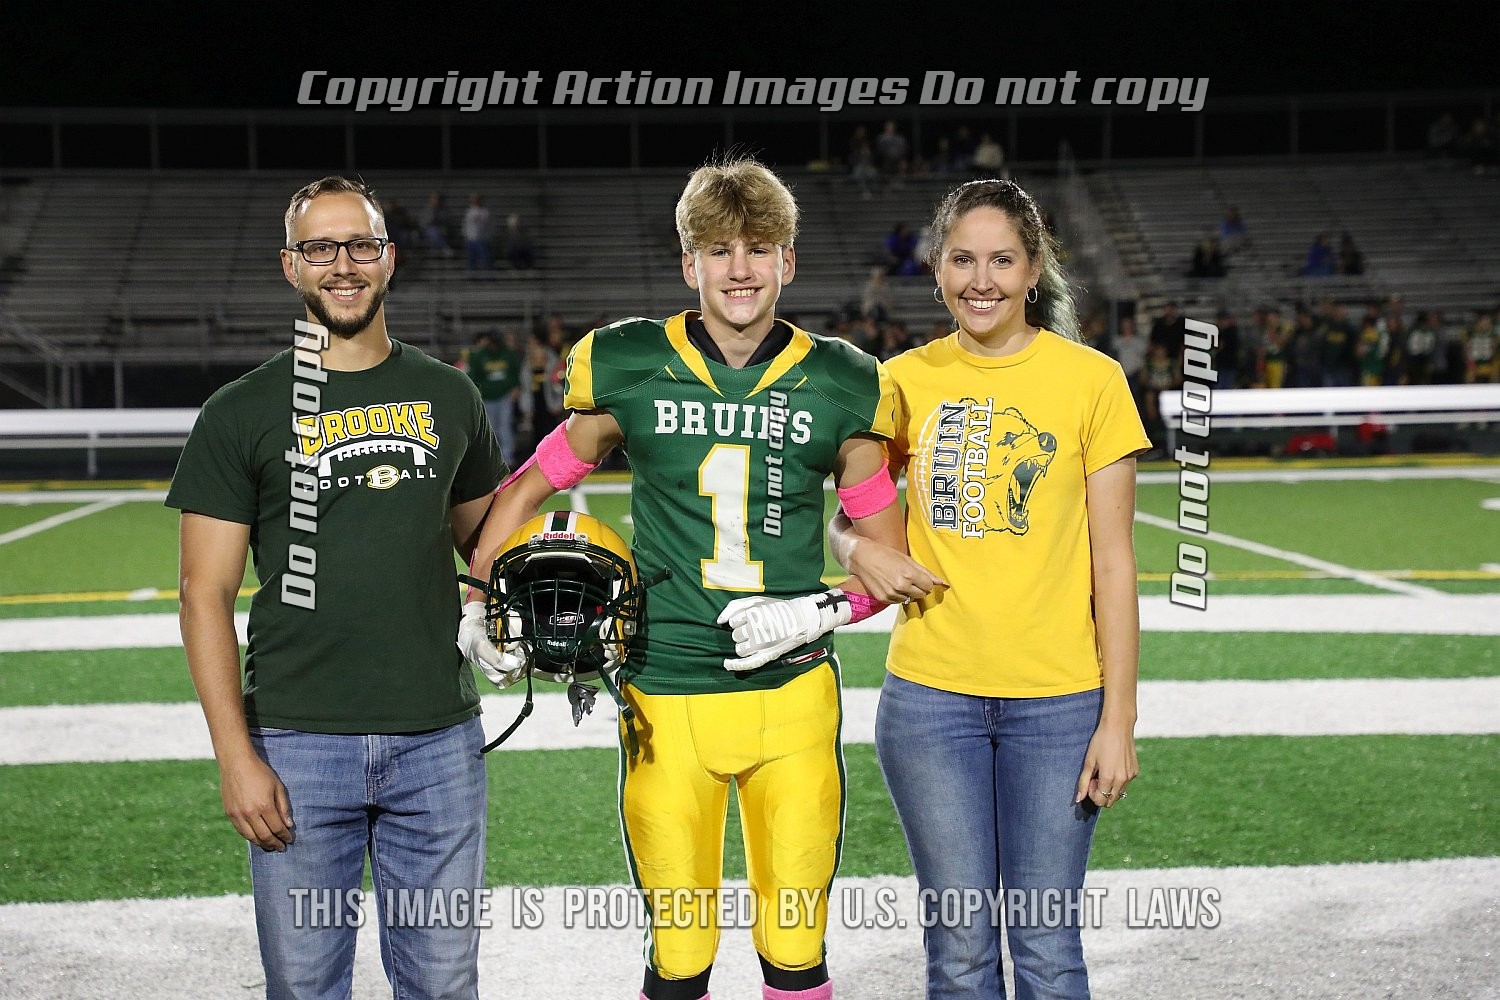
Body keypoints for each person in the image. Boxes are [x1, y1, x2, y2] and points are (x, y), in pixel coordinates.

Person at [460, 155, 907, 1000]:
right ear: (688, 263)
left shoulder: (845, 381)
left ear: (788, 262)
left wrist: (820, 609)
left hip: (792, 693)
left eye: (759, 248)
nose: (740, 268)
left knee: (796, 944)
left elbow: (889, 561)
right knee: (678, 951)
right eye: (720, 249)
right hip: (663, 688)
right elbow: (528, 489)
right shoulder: (629, 363)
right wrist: (481, 593)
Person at [168, 176, 504, 1000]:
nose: (342, 264)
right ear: (292, 266)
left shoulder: (450, 393)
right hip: (295, 744)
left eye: (359, 245)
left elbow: (489, 548)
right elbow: (201, 594)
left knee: (443, 986)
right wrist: (234, 756)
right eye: (321, 248)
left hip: (437, 742)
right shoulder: (238, 412)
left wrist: (522, 592)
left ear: (389, 259)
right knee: (306, 987)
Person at [829, 178, 1150, 999]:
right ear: (936, 269)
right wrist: (849, 547)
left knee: (1047, 947)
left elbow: (1113, 564)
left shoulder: (1093, 380)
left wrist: (1119, 721)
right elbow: (833, 514)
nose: (983, 280)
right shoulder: (899, 380)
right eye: (963, 260)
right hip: (931, 703)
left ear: (1034, 268)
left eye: (1003, 260)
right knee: (960, 949)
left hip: (1060, 703)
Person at [464, 329, 523, 466]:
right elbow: (473, 376)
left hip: (504, 396)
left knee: (505, 427)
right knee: (491, 430)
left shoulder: (508, 354)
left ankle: (507, 459)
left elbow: (515, 373)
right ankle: (493, 461)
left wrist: (516, 387)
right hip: (487, 397)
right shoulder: (478, 356)